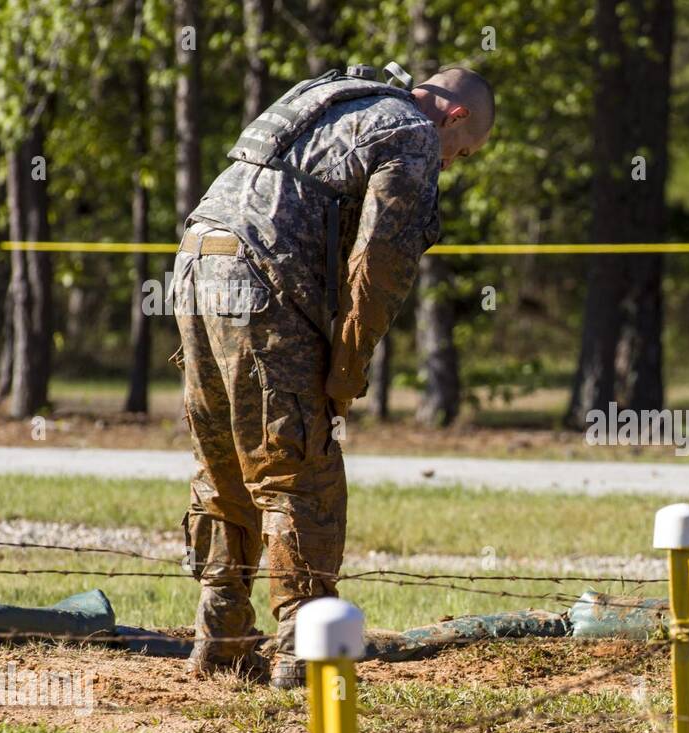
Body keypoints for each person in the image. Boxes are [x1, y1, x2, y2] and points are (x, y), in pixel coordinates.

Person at [171, 64, 494, 688]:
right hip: (263, 284)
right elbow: (382, 258)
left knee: (224, 466)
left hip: (193, 266)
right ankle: (304, 650)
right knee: (300, 467)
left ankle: (222, 641)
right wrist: (349, 366)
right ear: (453, 118)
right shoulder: (413, 132)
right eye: (465, 150)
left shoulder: (328, 93)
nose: (453, 162)